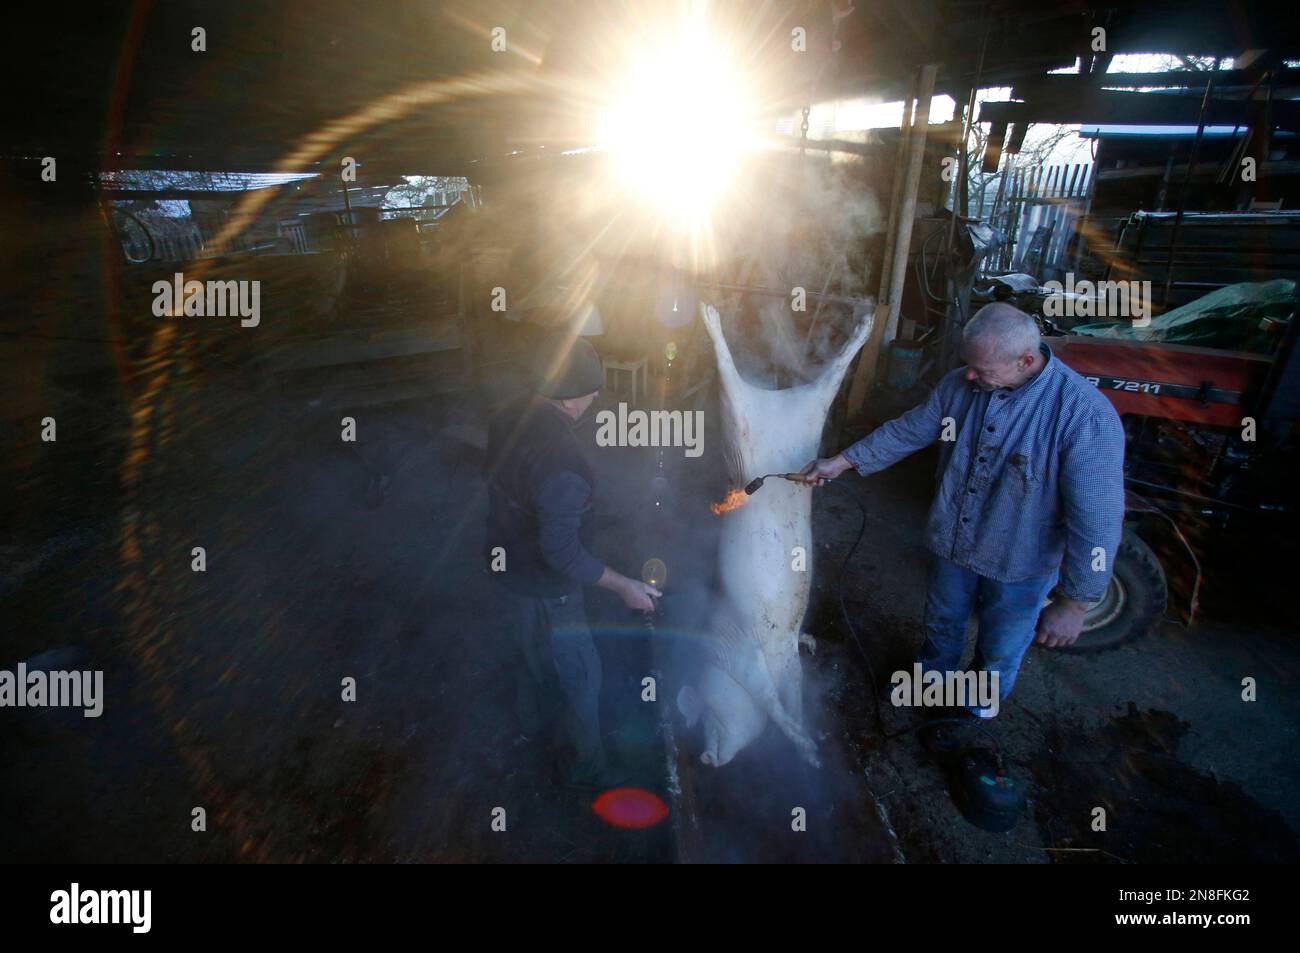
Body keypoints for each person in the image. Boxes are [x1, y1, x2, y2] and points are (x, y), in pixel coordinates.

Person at [799, 303, 1125, 715]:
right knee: (943, 621)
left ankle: (972, 709)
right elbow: (910, 430)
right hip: (955, 541)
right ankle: (932, 680)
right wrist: (842, 461)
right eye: (967, 364)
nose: (970, 375)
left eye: (982, 370)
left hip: (1020, 562)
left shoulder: (1083, 416)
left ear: (1025, 360)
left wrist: (1075, 603)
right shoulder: (960, 386)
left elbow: (1096, 519)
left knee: (1001, 643)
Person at [484, 336, 660, 783]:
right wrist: (625, 587)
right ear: (565, 396)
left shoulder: (508, 413)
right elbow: (560, 552)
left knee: (527, 653)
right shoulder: (564, 464)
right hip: (547, 585)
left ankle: (529, 728)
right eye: (590, 388)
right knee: (583, 676)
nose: (597, 395)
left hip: (504, 564)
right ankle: (589, 770)